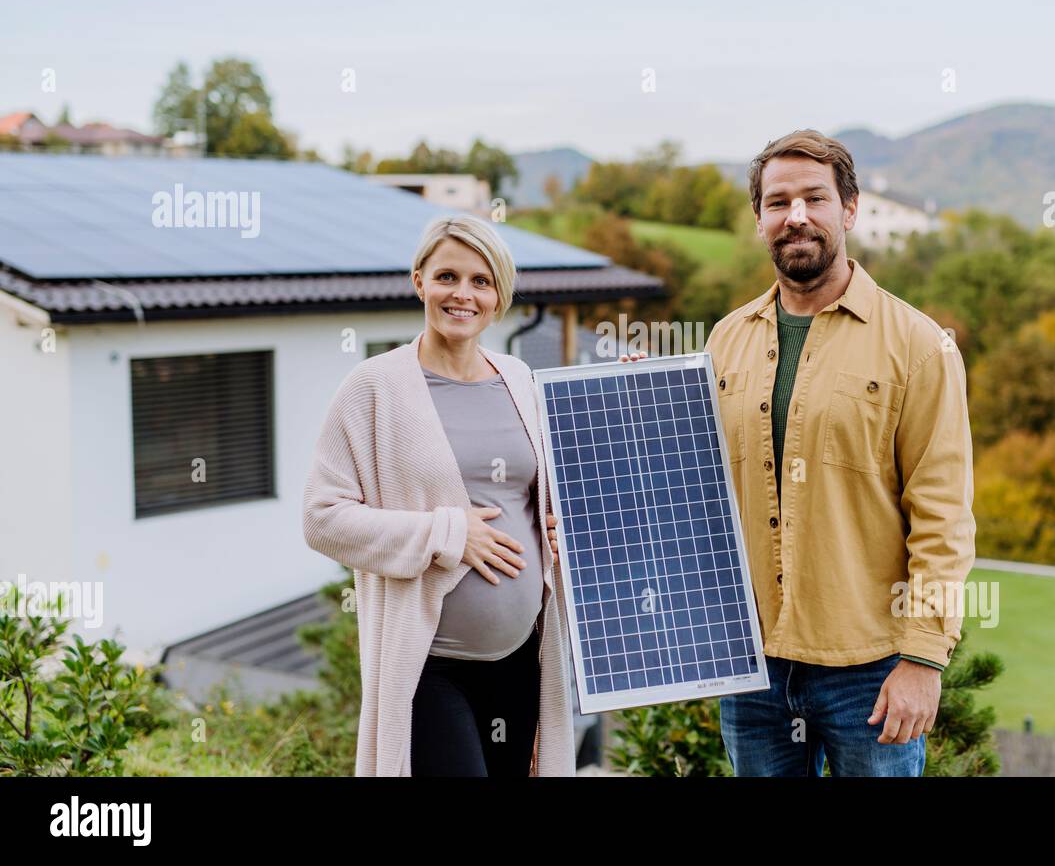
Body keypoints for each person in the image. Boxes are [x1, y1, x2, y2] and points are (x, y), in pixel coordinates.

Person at [628, 129, 976, 776]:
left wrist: (924, 660)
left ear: (848, 208)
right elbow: (694, 488)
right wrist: (637, 400)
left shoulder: (920, 347)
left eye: (814, 198)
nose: (796, 216)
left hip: (869, 670)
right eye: (777, 201)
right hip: (752, 664)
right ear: (759, 220)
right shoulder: (727, 341)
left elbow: (944, 519)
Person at [302, 214, 575, 776]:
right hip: (431, 665)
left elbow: (543, 494)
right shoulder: (374, 387)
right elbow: (322, 519)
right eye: (448, 276)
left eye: (481, 281)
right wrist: (446, 533)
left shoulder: (521, 379)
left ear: (499, 296)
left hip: (522, 658)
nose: (463, 294)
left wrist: (559, 528)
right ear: (419, 280)